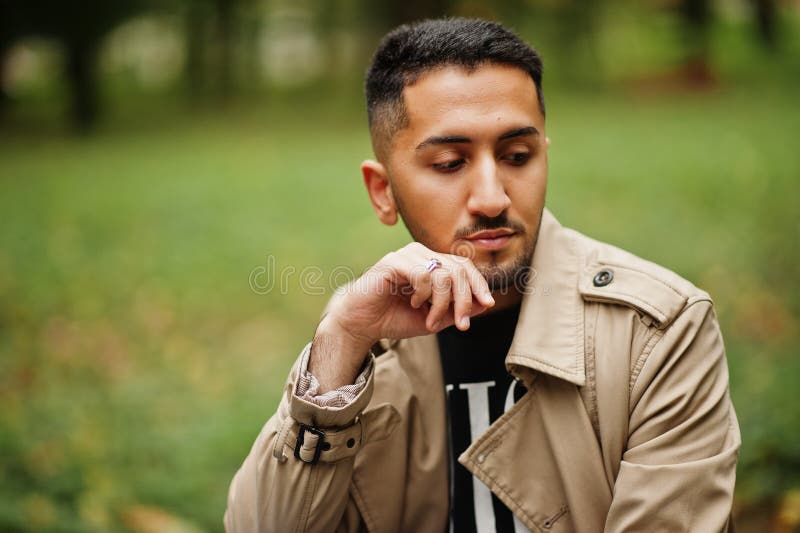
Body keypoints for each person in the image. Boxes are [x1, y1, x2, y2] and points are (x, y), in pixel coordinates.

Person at [224, 17, 740, 532]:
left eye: (518, 156)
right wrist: (339, 342)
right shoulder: (364, 352)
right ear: (383, 192)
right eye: (450, 163)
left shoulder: (657, 334)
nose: (493, 198)